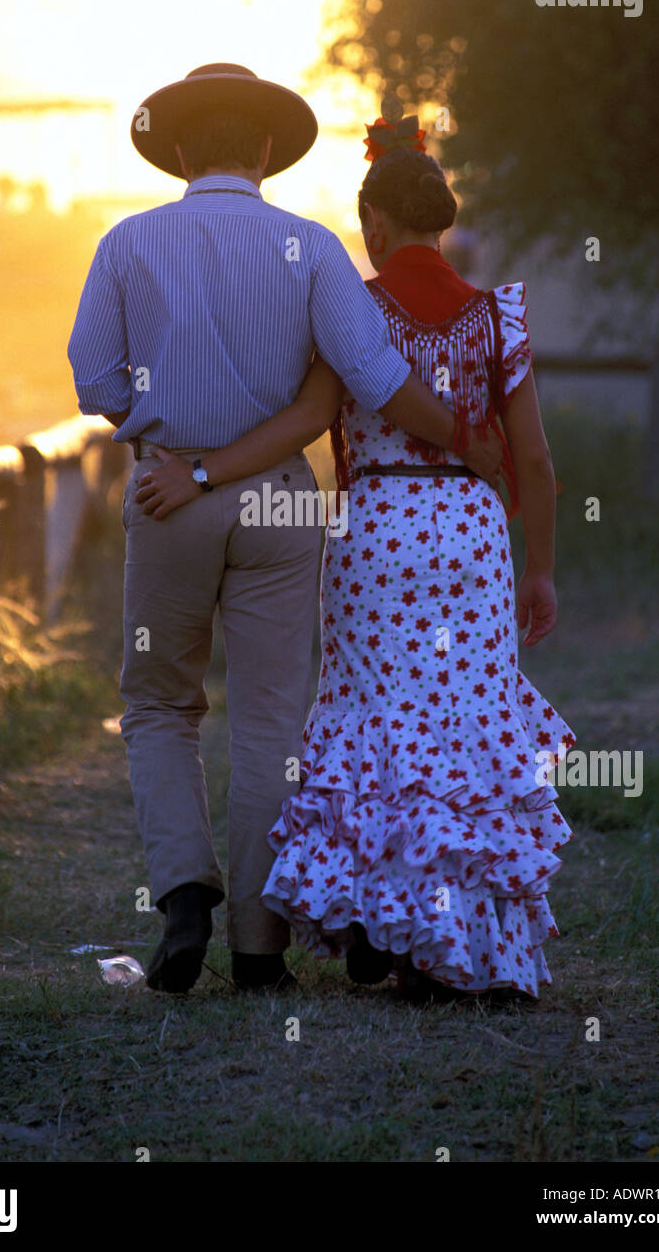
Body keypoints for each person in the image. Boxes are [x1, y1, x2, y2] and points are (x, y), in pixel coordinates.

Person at [67, 66, 502, 995]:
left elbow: (97, 385)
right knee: (271, 715)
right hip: (280, 502)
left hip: (166, 496)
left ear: (178, 152)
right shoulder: (311, 247)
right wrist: (477, 446)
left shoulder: (126, 244)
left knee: (159, 703)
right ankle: (260, 955)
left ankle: (184, 895)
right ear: (265, 152)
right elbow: (374, 377)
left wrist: (177, 445)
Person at [135, 101, 576, 1001]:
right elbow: (533, 459)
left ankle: (381, 925)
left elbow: (306, 415)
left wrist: (207, 468)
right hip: (467, 533)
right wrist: (538, 568)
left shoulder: (354, 309)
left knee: (377, 724)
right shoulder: (500, 317)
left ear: (374, 222)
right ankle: (457, 942)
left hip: (374, 532)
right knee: (459, 730)